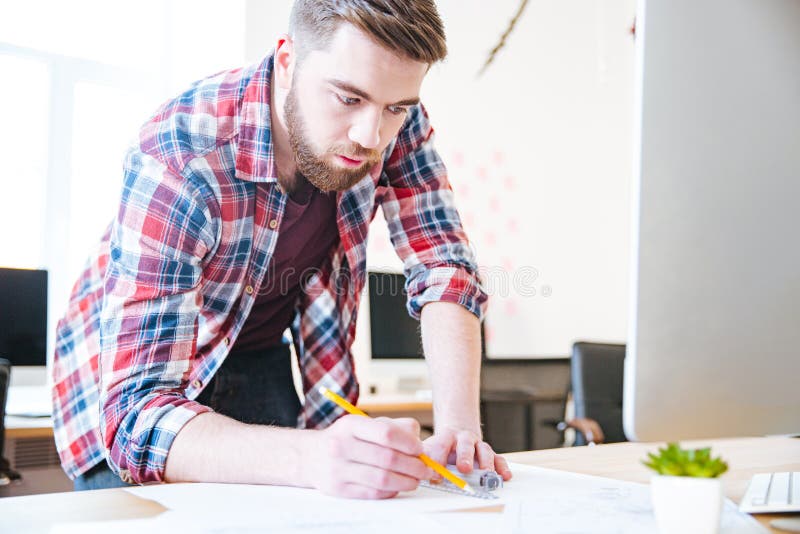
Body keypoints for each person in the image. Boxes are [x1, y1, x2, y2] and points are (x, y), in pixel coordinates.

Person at [52, 0, 512, 498]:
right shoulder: (181, 151)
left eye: (396, 108)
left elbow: (443, 264)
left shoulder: (391, 119)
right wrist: (311, 453)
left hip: (257, 354)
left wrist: (460, 430)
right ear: (288, 60)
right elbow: (135, 421)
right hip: (131, 377)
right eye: (347, 98)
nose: (370, 136)